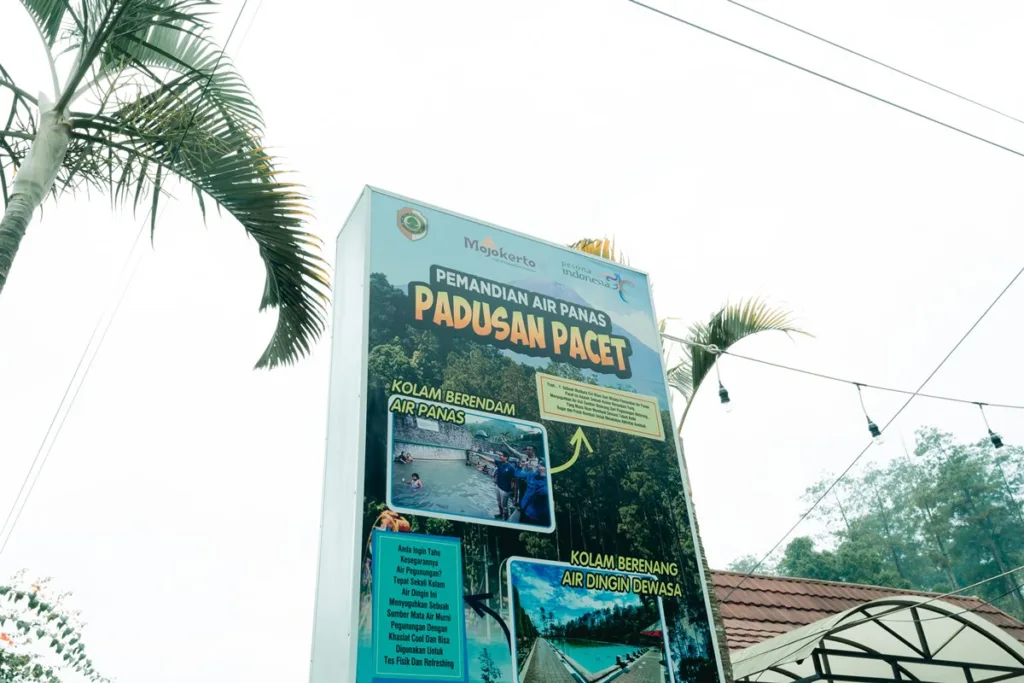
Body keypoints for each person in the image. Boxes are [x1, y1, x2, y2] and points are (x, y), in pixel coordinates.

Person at [493, 451, 516, 520]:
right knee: (499, 503)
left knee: (504, 506)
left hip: (505, 490)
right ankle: (500, 514)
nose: (499, 456)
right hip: (498, 487)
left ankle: (505, 518)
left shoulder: (511, 467)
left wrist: (514, 494)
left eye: (501, 455)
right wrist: (478, 454)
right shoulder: (499, 463)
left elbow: (514, 481)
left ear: (506, 457)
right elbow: (489, 459)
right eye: (499, 455)